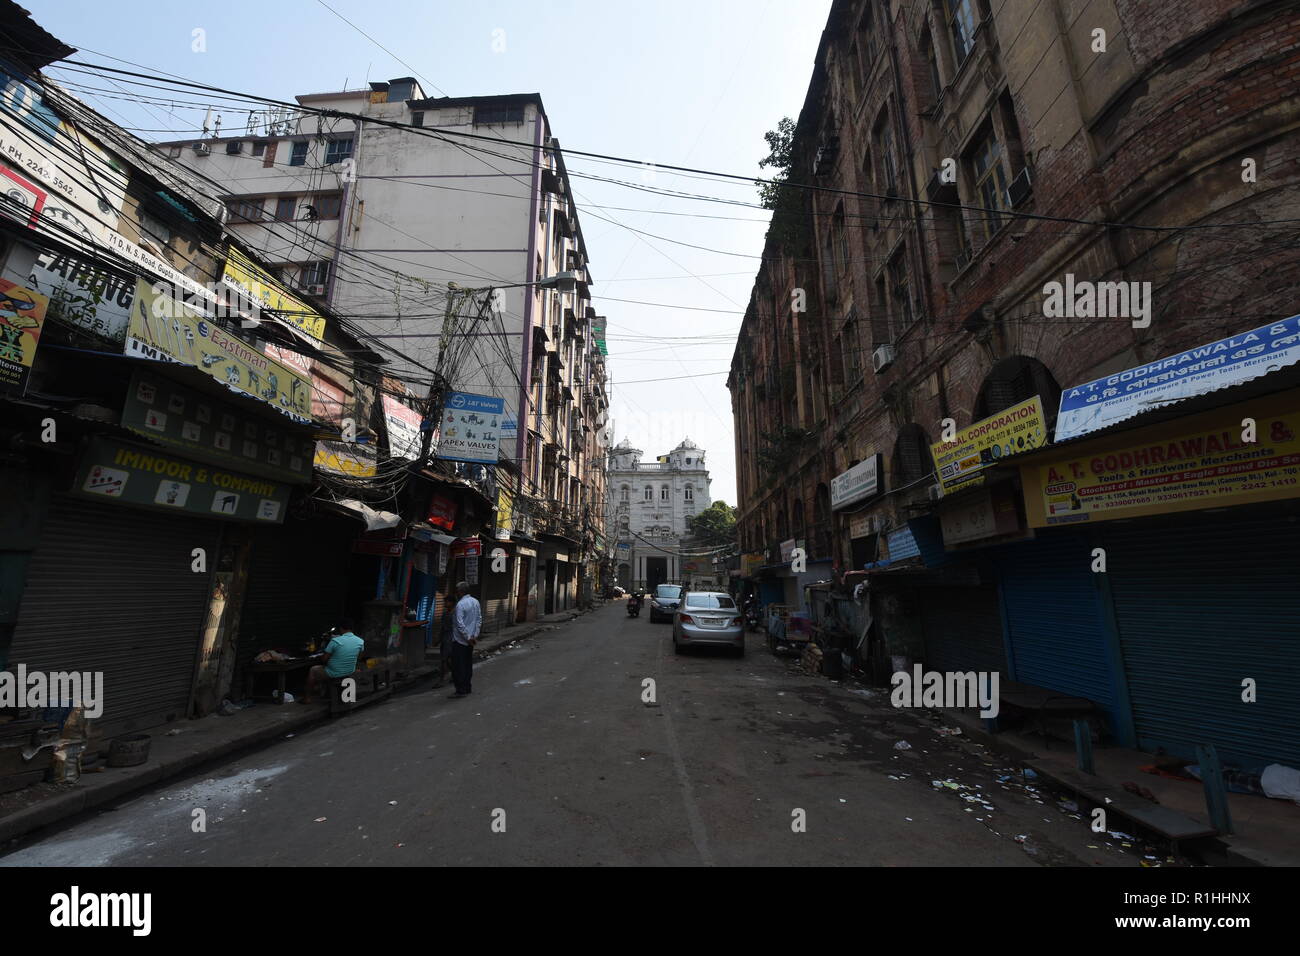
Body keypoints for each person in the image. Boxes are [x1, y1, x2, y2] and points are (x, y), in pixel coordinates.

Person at [303, 620, 364, 704]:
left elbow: (324, 659)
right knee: (325, 669)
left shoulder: (335, 641)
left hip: (334, 672)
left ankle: (307, 698)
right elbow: (358, 657)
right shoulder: (360, 641)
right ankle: (323, 691)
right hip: (349, 670)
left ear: (341, 629)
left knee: (313, 670)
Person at [449, 581, 481, 699]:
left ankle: (461, 689)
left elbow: (459, 624)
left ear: (461, 592)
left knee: (458, 665)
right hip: (470, 640)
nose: (456, 593)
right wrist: (474, 636)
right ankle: (467, 687)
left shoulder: (460, 605)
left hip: (460, 640)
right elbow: (479, 619)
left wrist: (467, 637)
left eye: (457, 591)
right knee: (467, 664)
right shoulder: (475, 602)